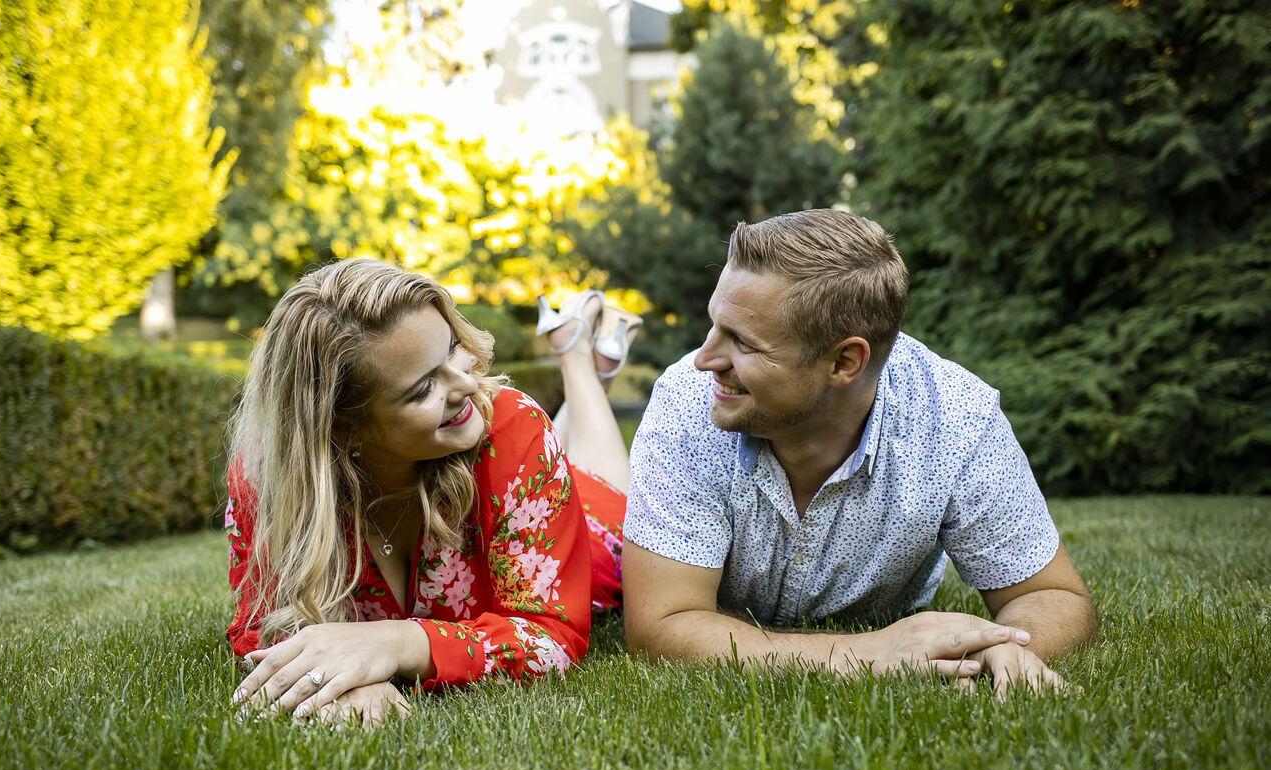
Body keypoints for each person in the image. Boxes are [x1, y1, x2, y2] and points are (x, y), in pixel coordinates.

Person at [622, 209, 1094, 696]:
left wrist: (1001, 648)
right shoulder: (687, 400)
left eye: (743, 343)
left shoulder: (956, 417)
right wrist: (867, 654)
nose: (704, 359)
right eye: (714, 325)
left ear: (845, 361)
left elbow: (1050, 594)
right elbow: (660, 624)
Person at [226, 258, 640, 726]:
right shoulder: (269, 476)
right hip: (522, 477)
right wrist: (348, 679)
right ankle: (584, 357)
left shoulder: (508, 420)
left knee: (611, 496)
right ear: (344, 428)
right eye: (424, 387)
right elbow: (259, 630)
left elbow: (551, 636)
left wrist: (397, 643)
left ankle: (578, 358)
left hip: (584, 520)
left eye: (452, 350)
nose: (467, 383)